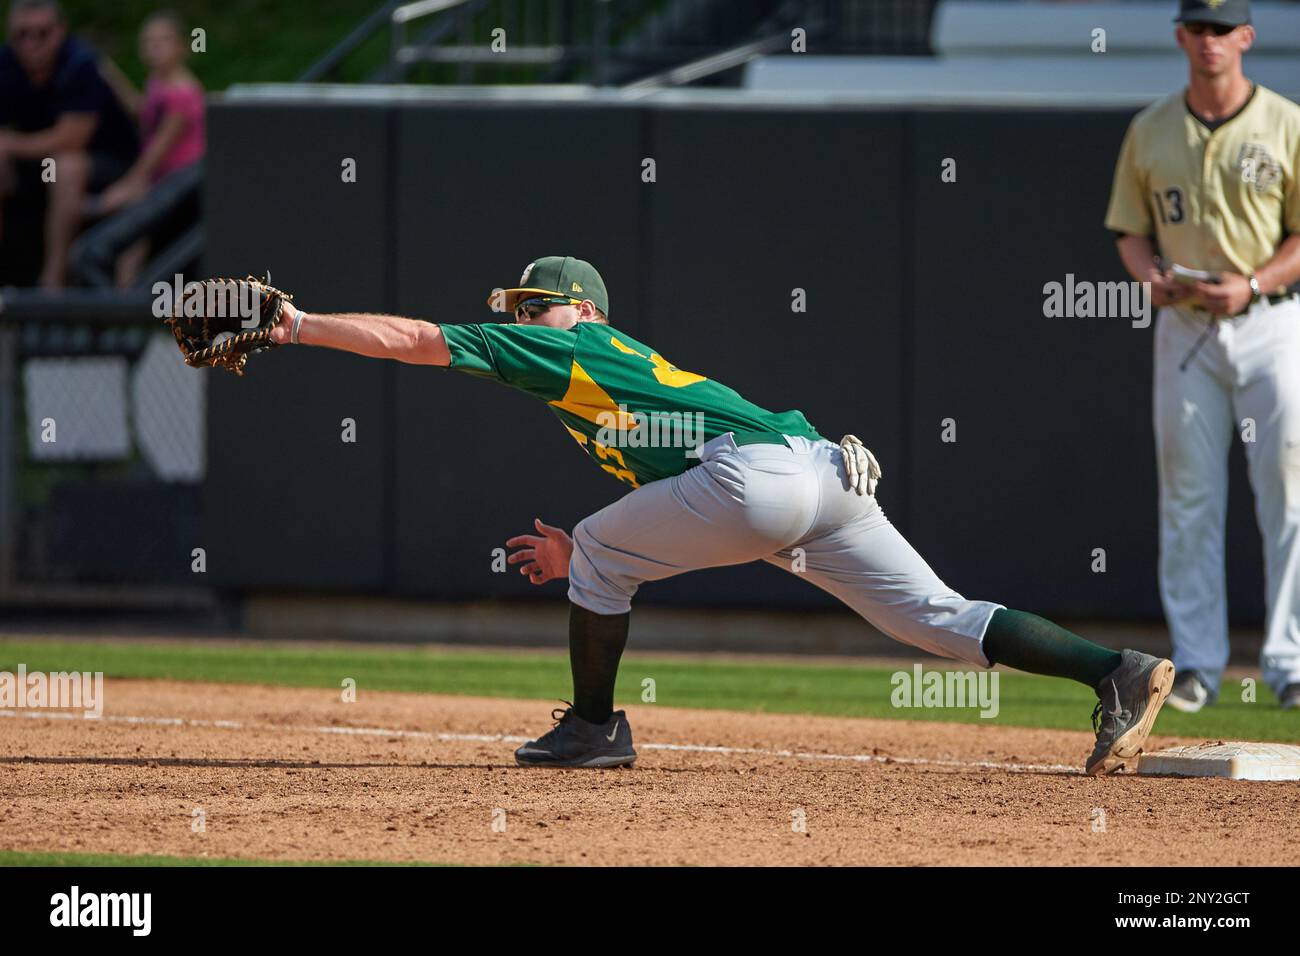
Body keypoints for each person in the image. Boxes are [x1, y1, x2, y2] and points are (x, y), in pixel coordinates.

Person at [255, 254, 1176, 773]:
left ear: (575, 309)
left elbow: (417, 341)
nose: (522, 317)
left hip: (763, 481)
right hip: (816, 475)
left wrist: (293, 326)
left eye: (535, 305)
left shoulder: (567, 348)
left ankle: (593, 727)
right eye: (521, 308)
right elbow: (676, 495)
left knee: (606, 562)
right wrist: (587, 547)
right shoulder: (605, 378)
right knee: (940, 621)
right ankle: (1118, 672)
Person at [1105, 0, 1300, 713]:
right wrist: (1148, 276)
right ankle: (1194, 664)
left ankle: (1291, 662)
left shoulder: (1286, 121)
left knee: (1289, 491)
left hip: (1270, 320)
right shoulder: (1151, 127)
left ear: (1246, 36)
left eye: (1223, 27)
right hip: (1185, 325)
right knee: (1188, 496)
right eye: (1198, 26)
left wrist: (1254, 283)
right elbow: (1129, 229)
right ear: (1181, 35)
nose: (1209, 39)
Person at [0, 0, 139, 289]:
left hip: (109, 163)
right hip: (38, 163)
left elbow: (70, 139)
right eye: (22, 34)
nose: (31, 43)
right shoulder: (7, 63)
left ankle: (53, 283)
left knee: (66, 166)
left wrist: (9, 144)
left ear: (60, 31)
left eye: (42, 33)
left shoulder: (81, 63)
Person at [95, 10, 205, 286]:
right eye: (148, 40)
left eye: (163, 40)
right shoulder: (158, 83)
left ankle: (122, 296)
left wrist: (130, 184)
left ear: (182, 46)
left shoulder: (183, 91)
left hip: (181, 182)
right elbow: (142, 112)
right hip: (161, 178)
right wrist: (110, 74)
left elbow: (157, 150)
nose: (154, 47)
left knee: (131, 212)